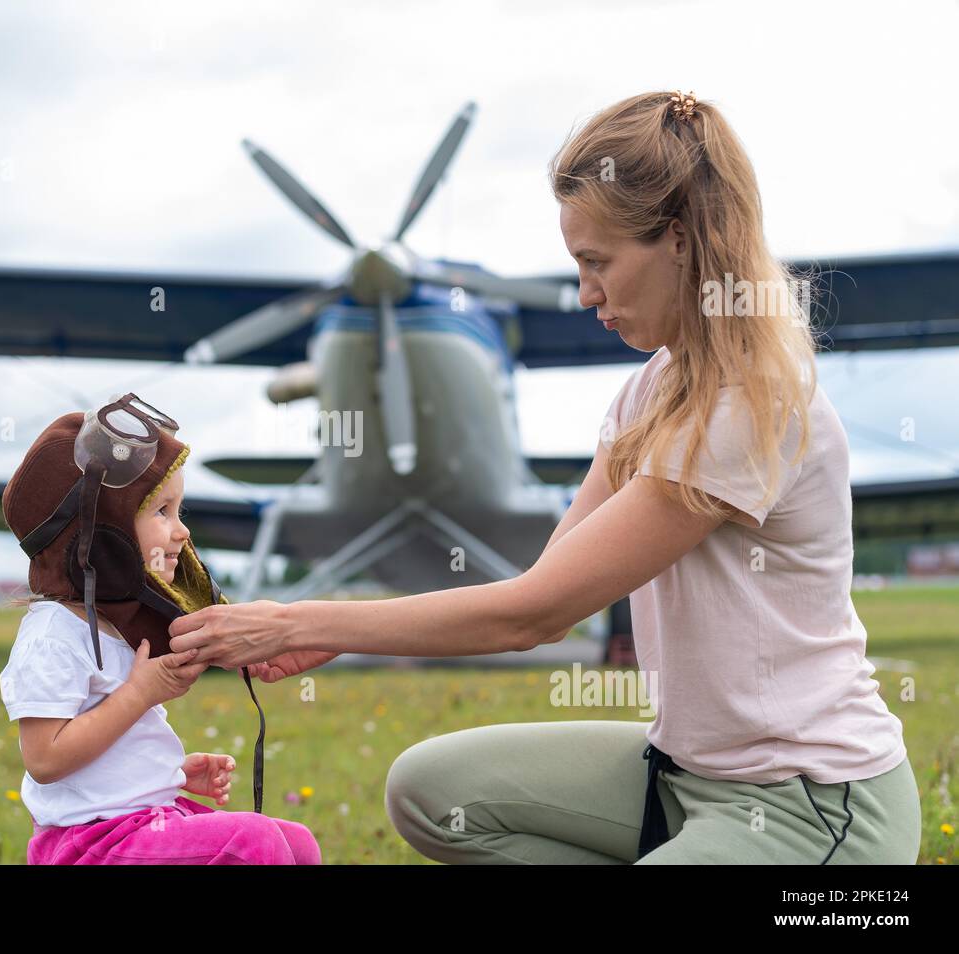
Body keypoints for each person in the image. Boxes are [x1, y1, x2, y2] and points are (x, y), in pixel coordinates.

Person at [166, 91, 921, 864]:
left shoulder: (747, 405)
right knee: (428, 791)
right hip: (680, 779)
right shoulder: (646, 391)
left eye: (599, 263)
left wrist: (301, 624)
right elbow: (550, 598)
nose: (586, 292)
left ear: (683, 241)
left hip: (811, 806)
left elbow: (535, 614)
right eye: (577, 265)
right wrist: (327, 633)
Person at [0, 402, 320, 864]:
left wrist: (169, 774)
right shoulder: (53, 637)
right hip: (85, 842)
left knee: (296, 841)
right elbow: (45, 761)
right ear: (100, 532)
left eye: (178, 510)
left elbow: (108, 755)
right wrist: (138, 694)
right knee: (253, 843)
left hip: (140, 817)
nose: (182, 531)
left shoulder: (118, 628)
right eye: (163, 512)